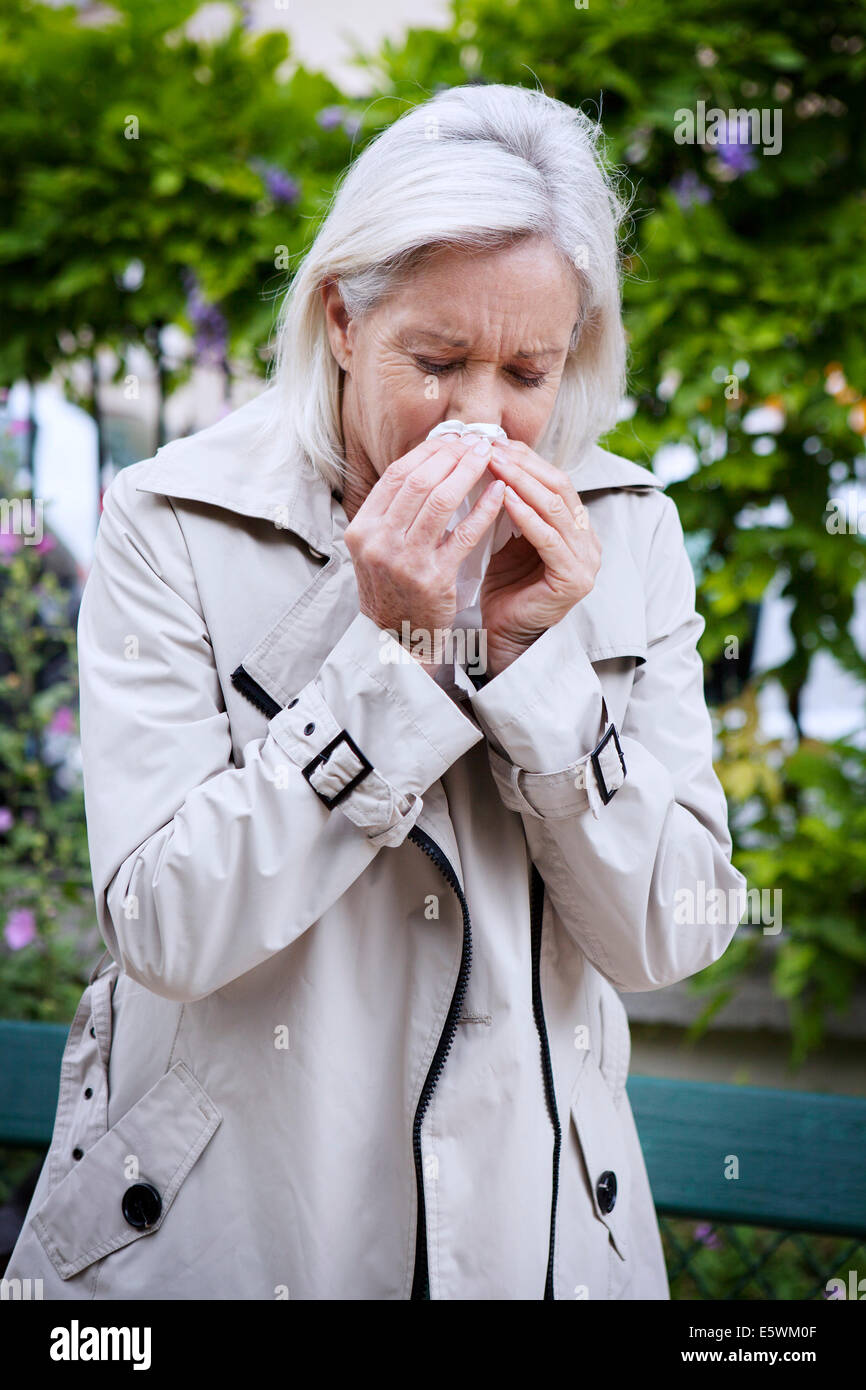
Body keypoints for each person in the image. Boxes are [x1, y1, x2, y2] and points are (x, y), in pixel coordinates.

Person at [6, 82, 746, 1300]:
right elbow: (162, 927)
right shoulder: (174, 522)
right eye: (437, 359)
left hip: (537, 1243)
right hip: (234, 1241)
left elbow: (672, 930)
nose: (483, 418)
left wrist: (535, 672)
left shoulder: (626, 532)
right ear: (341, 318)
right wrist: (387, 658)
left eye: (527, 369)